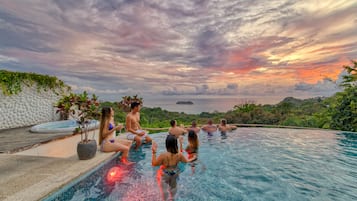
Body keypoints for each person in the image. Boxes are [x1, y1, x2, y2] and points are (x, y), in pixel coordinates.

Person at [151, 135, 196, 201]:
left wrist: (154, 152)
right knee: (173, 187)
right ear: (175, 144)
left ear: (167, 144)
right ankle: (172, 198)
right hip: (175, 174)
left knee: (164, 190)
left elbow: (154, 164)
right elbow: (186, 161)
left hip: (165, 174)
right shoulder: (179, 154)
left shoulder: (163, 155)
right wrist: (193, 158)